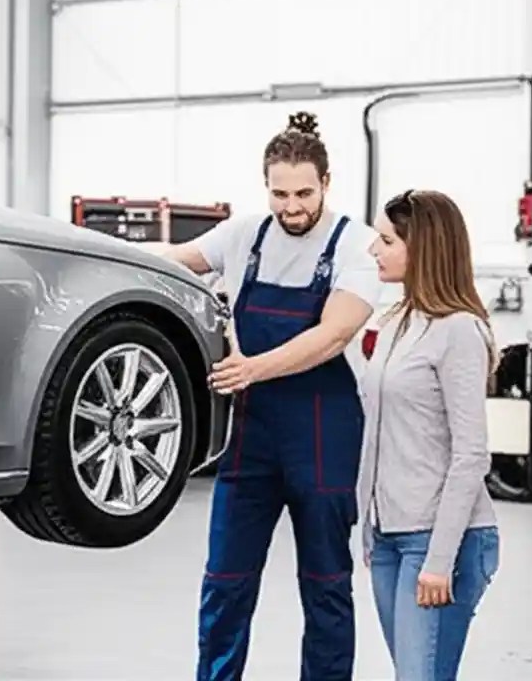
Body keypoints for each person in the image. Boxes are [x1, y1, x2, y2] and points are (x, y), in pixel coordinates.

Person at [160, 111, 382, 680]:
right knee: (225, 582)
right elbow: (173, 261)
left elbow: (333, 334)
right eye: (279, 193)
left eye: (303, 192)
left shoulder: (356, 245)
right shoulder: (245, 234)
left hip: (322, 433)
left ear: (327, 184)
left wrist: (252, 369)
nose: (291, 206)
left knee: (326, 585)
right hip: (249, 440)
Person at [357, 189, 501, 680]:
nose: (374, 249)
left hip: (440, 540)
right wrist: (366, 525)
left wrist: (439, 560)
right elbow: (377, 430)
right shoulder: (396, 321)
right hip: (388, 535)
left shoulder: (459, 330)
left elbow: (472, 455)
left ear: (422, 248)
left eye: (386, 240)